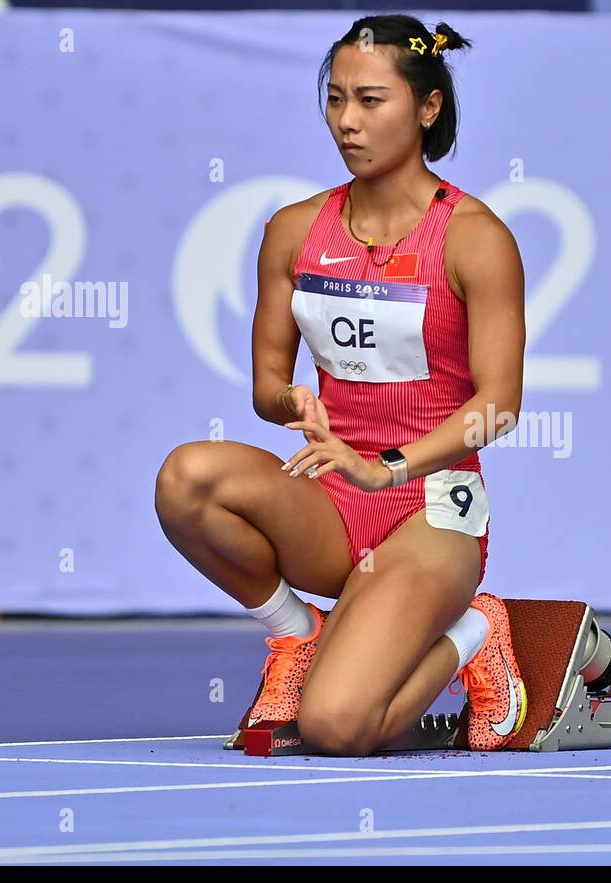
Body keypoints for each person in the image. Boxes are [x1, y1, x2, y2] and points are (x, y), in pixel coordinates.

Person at [155, 15, 528, 755]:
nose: (346, 123)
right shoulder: (295, 230)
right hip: (330, 500)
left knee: (336, 727)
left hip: (434, 511)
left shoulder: (476, 237)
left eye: (369, 100)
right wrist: (291, 401)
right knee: (185, 479)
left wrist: (385, 466)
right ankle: (296, 635)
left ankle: (477, 628)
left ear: (427, 108)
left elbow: (500, 410)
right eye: (334, 99)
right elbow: (266, 384)